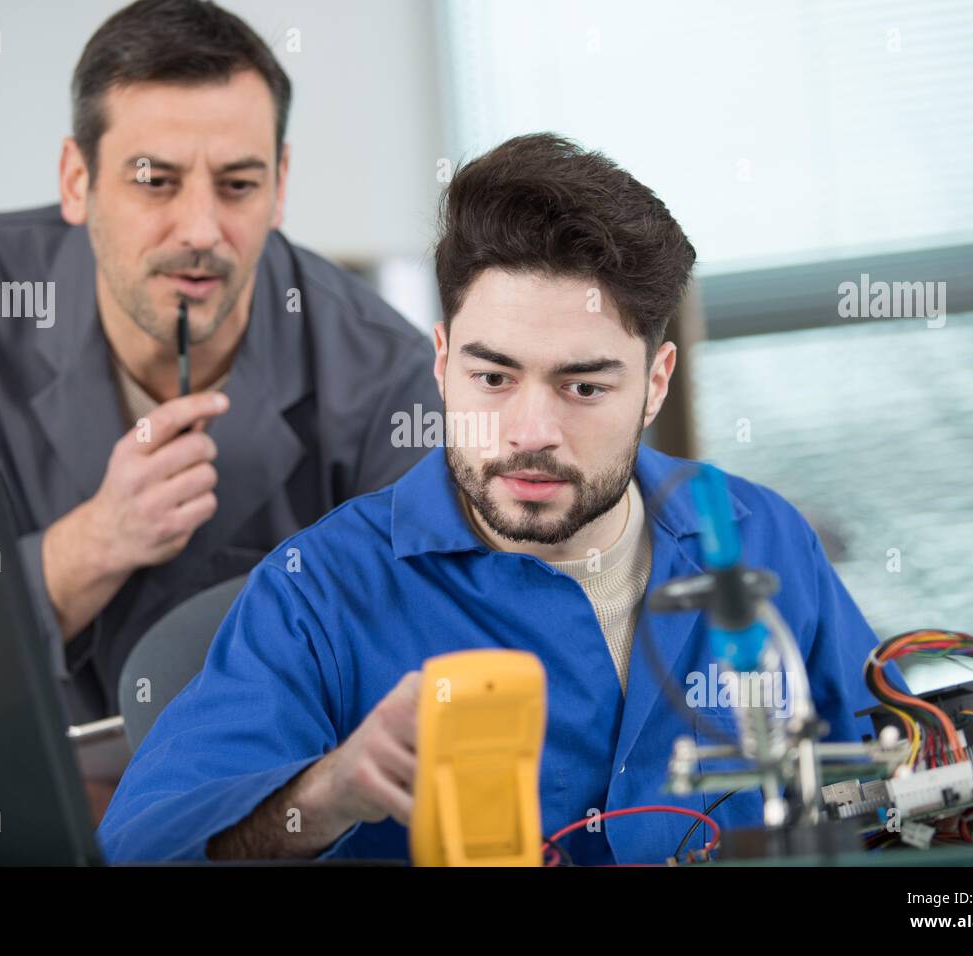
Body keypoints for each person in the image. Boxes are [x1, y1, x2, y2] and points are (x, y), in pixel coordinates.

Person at [97, 133, 909, 865]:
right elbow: (143, 850)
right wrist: (328, 792)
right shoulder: (320, 593)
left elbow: (897, 789)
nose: (530, 432)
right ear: (443, 360)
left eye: (583, 386)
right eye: (492, 377)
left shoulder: (757, 536)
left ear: (655, 384)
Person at [0, 0, 441, 723]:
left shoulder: (387, 375)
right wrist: (96, 542)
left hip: (271, 806)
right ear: (77, 180)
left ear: (280, 184)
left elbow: (421, 654)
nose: (201, 230)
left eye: (238, 185)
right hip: (14, 795)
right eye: (154, 180)